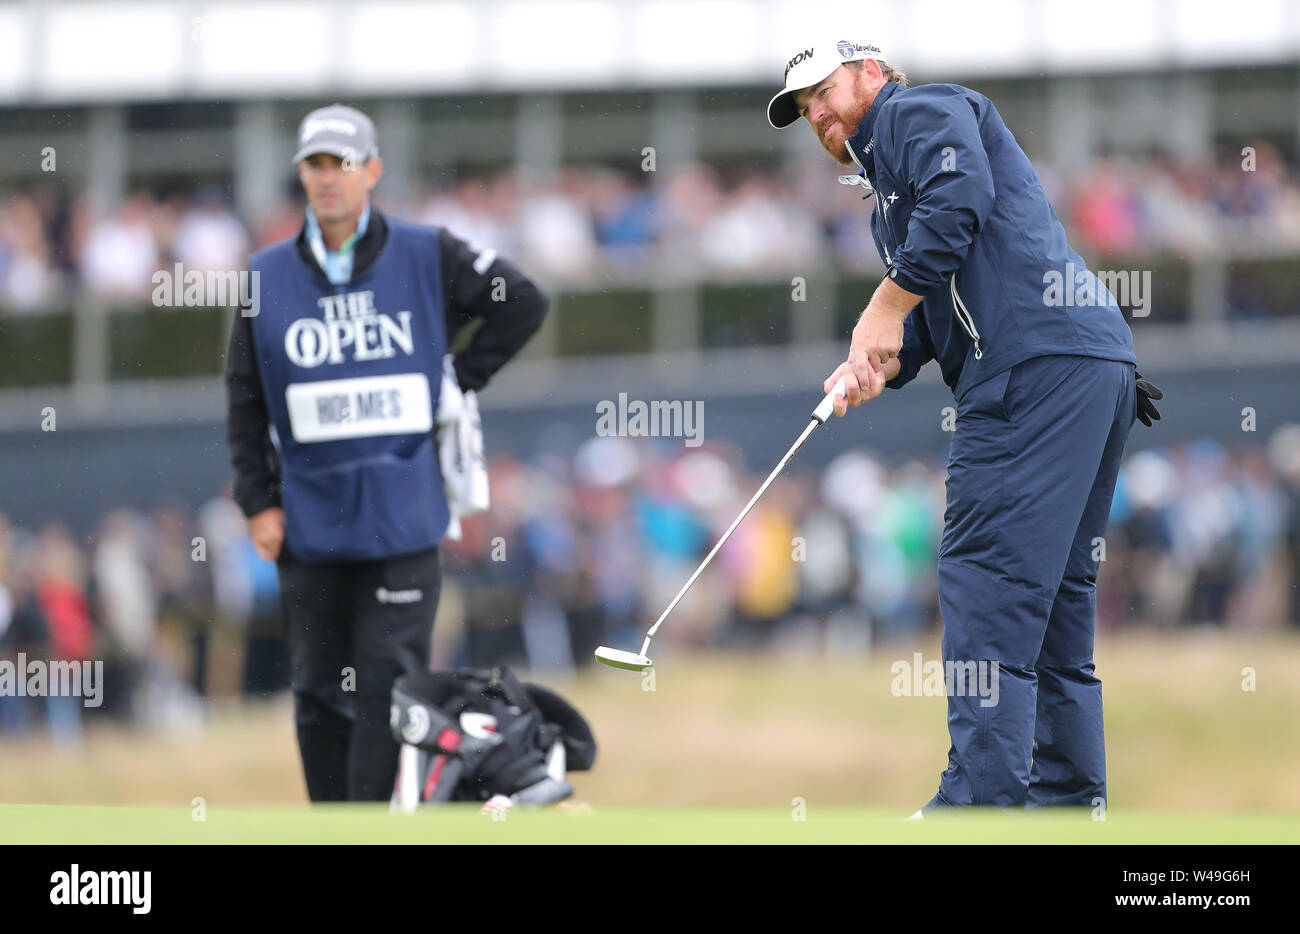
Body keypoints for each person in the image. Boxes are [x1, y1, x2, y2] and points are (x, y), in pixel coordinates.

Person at [766, 39, 1163, 811]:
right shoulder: (886, 189)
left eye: (823, 89)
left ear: (871, 72)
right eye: (801, 107)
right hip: (1081, 366)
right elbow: (936, 304)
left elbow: (959, 199)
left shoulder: (916, 109)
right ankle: (1065, 804)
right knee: (1048, 604)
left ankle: (979, 806)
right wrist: (880, 363)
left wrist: (882, 307)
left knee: (987, 582)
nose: (815, 111)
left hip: (1032, 371)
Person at [225, 104, 548, 801]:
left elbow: (522, 300)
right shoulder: (264, 275)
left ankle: (367, 828)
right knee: (317, 691)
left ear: (372, 170)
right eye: (315, 164)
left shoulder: (426, 252)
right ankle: (334, 823)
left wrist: (456, 378)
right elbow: (244, 398)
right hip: (307, 520)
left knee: (387, 687)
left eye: (342, 163)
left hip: (403, 516)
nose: (328, 178)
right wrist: (257, 501)